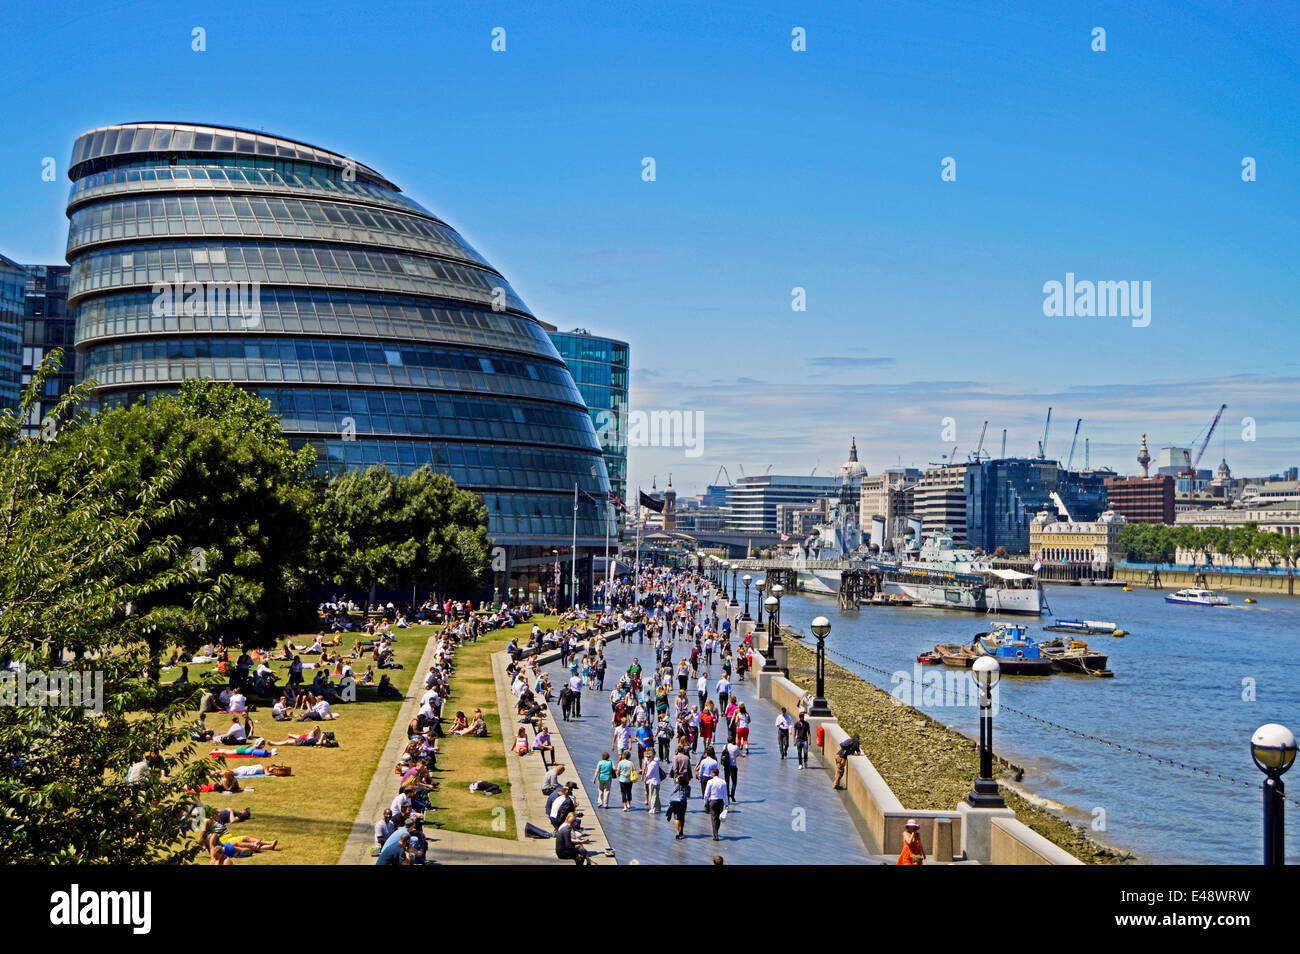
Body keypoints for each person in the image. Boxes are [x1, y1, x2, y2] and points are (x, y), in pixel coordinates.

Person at [703, 765, 729, 841]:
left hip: (713, 801)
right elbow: (725, 794)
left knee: (714, 818)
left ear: (713, 773)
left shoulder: (710, 782)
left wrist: (705, 802)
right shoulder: (723, 782)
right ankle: (716, 832)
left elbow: (706, 794)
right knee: (718, 818)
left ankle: (716, 835)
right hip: (720, 802)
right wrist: (727, 804)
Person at [641, 747, 662, 813]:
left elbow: (648, 774)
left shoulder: (652, 764)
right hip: (657, 781)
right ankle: (658, 808)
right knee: (656, 796)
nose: (647, 758)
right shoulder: (656, 762)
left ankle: (653, 808)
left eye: (648, 757)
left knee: (652, 796)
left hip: (652, 781)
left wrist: (645, 779)